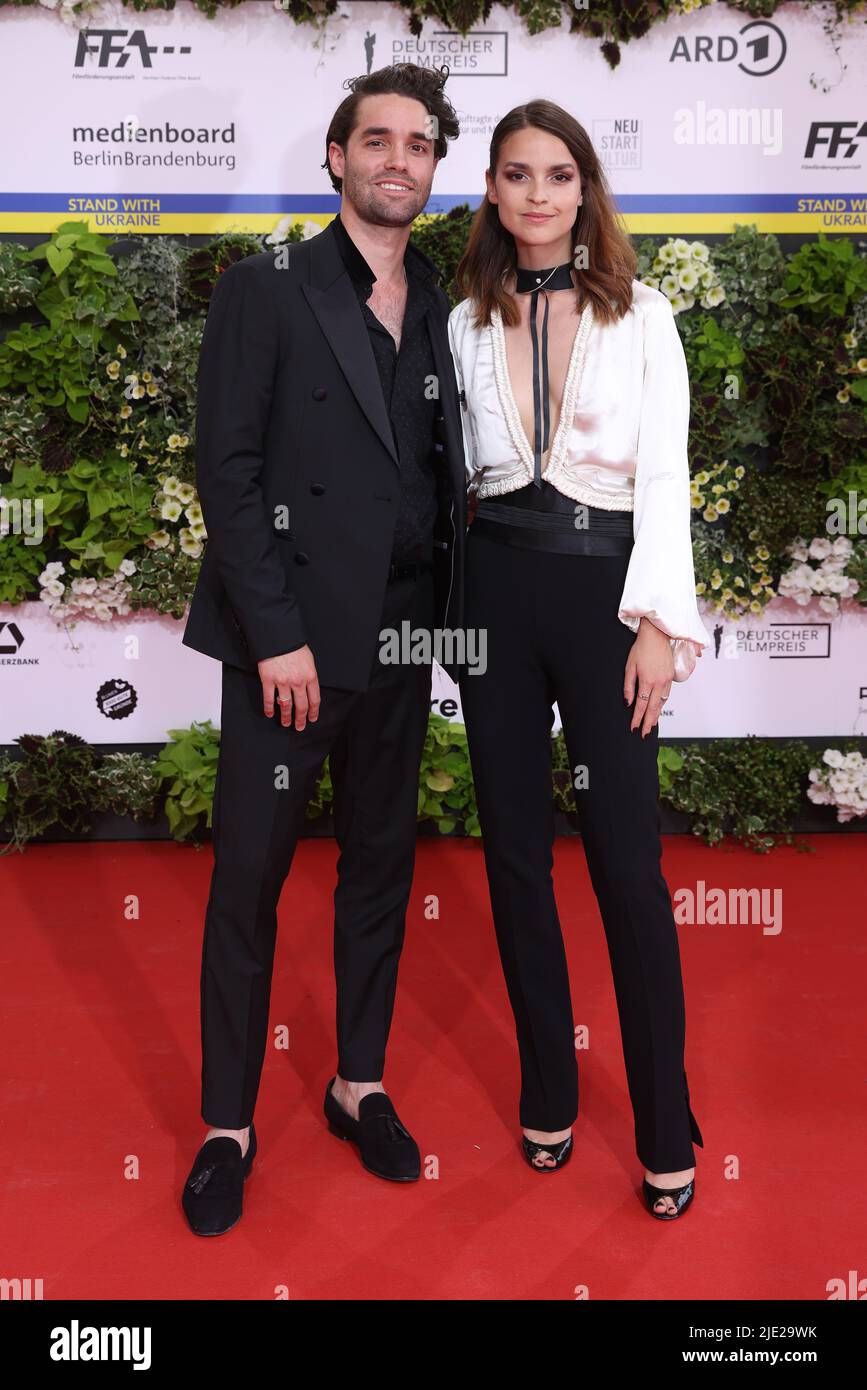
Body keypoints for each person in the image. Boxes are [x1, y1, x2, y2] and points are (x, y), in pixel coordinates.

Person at [179, 64, 466, 1235]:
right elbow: (229, 474)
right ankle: (226, 1126)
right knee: (248, 880)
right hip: (290, 650)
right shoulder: (270, 287)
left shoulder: (449, 301)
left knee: (380, 870)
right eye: (377, 140)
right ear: (337, 159)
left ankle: (359, 1083)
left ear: (435, 170)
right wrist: (276, 638)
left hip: (403, 635)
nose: (399, 159)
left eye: (420, 144)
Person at [447, 101, 710, 1219]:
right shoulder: (459, 318)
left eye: (559, 174)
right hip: (494, 595)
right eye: (517, 174)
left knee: (626, 867)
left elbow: (664, 475)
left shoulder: (644, 314)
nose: (539, 194)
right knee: (515, 857)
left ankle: (663, 1119)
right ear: (495, 193)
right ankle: (546, 1089)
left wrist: (658, 620)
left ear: (585, 188)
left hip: (607, 599)